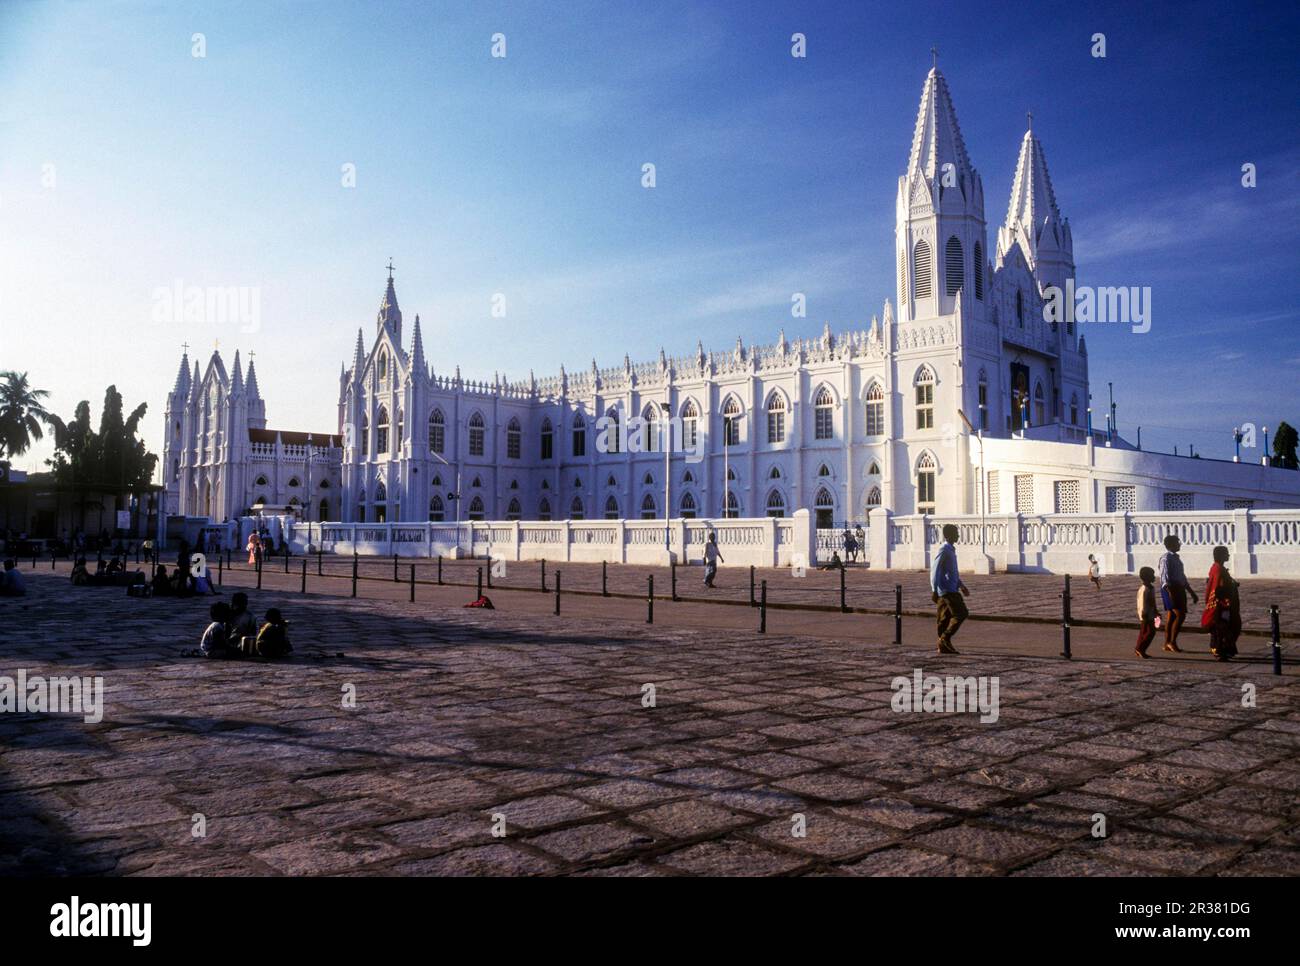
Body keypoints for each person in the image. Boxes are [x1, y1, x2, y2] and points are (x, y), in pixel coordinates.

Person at [930, 523, 970, 655]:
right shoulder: (944, 550)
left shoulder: (951, 550)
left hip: (951, 588)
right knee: (961, 613)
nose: (958, 535)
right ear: (949, 535)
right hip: (947, 590)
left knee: (944, 619)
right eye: (955, 533)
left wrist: (961, 585)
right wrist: (934, 589)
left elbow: (952, 572)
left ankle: (943, 645)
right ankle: (944, 638)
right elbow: (935, 570)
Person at [1157, 535, 1198, 653]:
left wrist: (1191, 592)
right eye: (1177, 542)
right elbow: (1164, 578)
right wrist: (1171, 593)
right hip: (1171, 589)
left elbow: (1182, 577)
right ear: (1171, 545)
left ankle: (1167, 643)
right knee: (1180, 615)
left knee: (1172, 616)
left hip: (1178, 588)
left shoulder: (1176, 558)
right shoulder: (1166, 558)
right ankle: (1172, 641)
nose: (1179, 544)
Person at [1202, 546, 1241, 662]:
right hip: (1222, 605)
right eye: (1226, 554)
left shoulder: (1216, 568)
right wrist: (1232, 587)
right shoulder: (1219, 570)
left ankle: (1220, 650)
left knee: (1220, 628)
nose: (1228, 555)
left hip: (1220, 604)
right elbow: (1219, 588)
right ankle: (1221, 651)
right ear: (1221, 556)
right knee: (1223, 628)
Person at [1135, 566, 1158, 659]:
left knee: (1144, 632)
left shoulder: (1151, 588)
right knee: (1150, 632)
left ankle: (1139, 648)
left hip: (1151, 613)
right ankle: (1140, 648)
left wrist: (1156, 611)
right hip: (1146, 614)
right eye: (1152, 575)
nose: (1154, 577)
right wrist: (1144, 613)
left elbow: (1153, 601)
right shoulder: (1144, 589)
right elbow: (1142, 602)